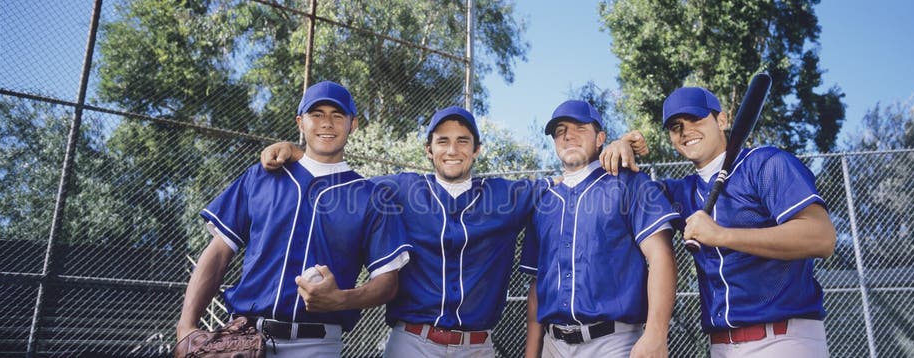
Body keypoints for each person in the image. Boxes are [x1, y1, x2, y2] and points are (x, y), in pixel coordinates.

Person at [261, 106, 650, 357]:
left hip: (477, 346)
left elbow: (572, 183)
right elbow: (343, 182)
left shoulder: (510, 195)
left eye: (463, 141)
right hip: (411, 342)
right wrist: (301, 154)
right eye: (442, 141)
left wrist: (614, 144)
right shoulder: (399, 189)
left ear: (477, 150)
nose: (453, 149)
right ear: (428, 150)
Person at [176, 80, 410, 357]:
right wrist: (186, 327)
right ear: (300, 122)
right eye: (316, 114)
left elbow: (387, 283)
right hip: (244, 337)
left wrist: (340, 300)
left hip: (317, 344)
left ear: (353, 124)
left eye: (337, 115)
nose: (327, 123)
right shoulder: (262, 176)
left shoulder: (371, 198)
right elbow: (218, 252)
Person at [601, 86, 837, 357]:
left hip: (783, 339)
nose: (685, 131)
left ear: (722, 121)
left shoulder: (765, 163)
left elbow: (821, 237)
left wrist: (722, 235)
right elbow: (621, 196)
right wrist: (618, 149)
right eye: (676, 126)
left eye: (696, 119)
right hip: (721, 345)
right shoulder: (682, 191)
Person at [519, 100, 680, 358]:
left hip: (613, 343)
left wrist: (656, 334)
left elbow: (661, 257)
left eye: (579, 128)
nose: (568, 135)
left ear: (600, 138)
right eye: (560, 130)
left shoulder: (629, 182)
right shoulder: (543, 202)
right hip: (552, 345)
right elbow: (538, 287)